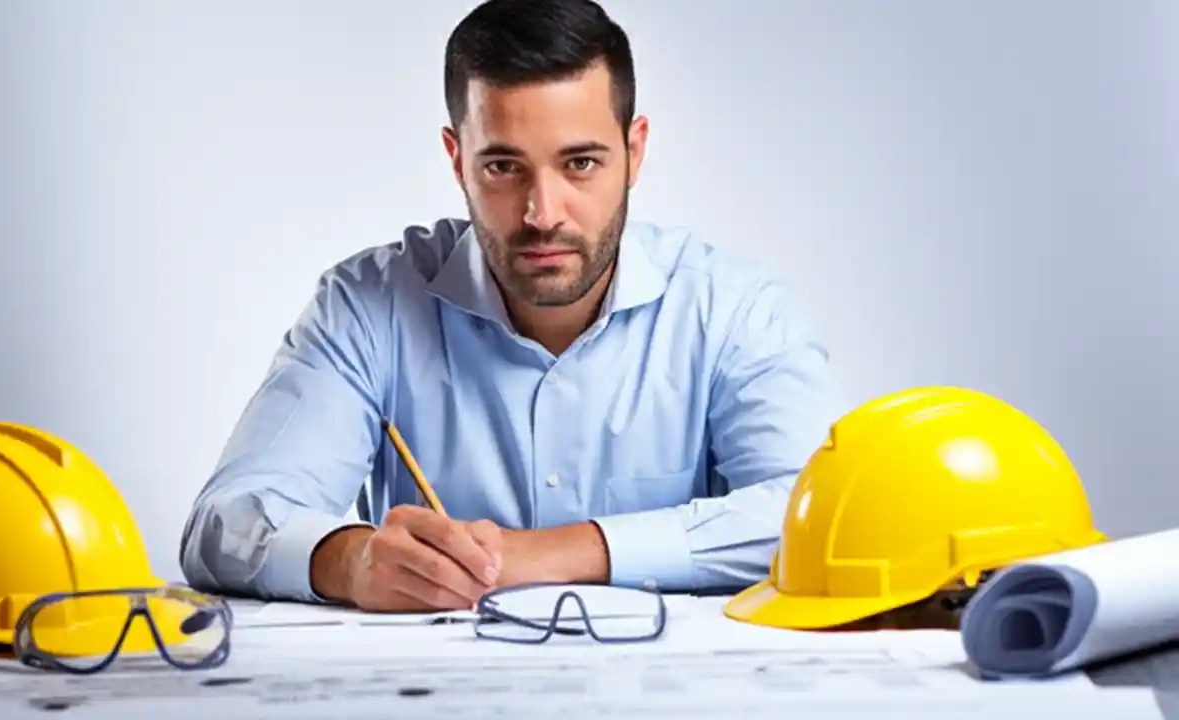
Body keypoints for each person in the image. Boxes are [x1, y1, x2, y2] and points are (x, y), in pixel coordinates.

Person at [178, 0, 848, 612]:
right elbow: (227, 520)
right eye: (503, 167)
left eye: (580, 163)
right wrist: (347, 561)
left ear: (634, 151)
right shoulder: (367, 306)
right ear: (456, 157)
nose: (542, 213)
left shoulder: (734, 310)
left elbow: (827, 517)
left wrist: (556, 551)